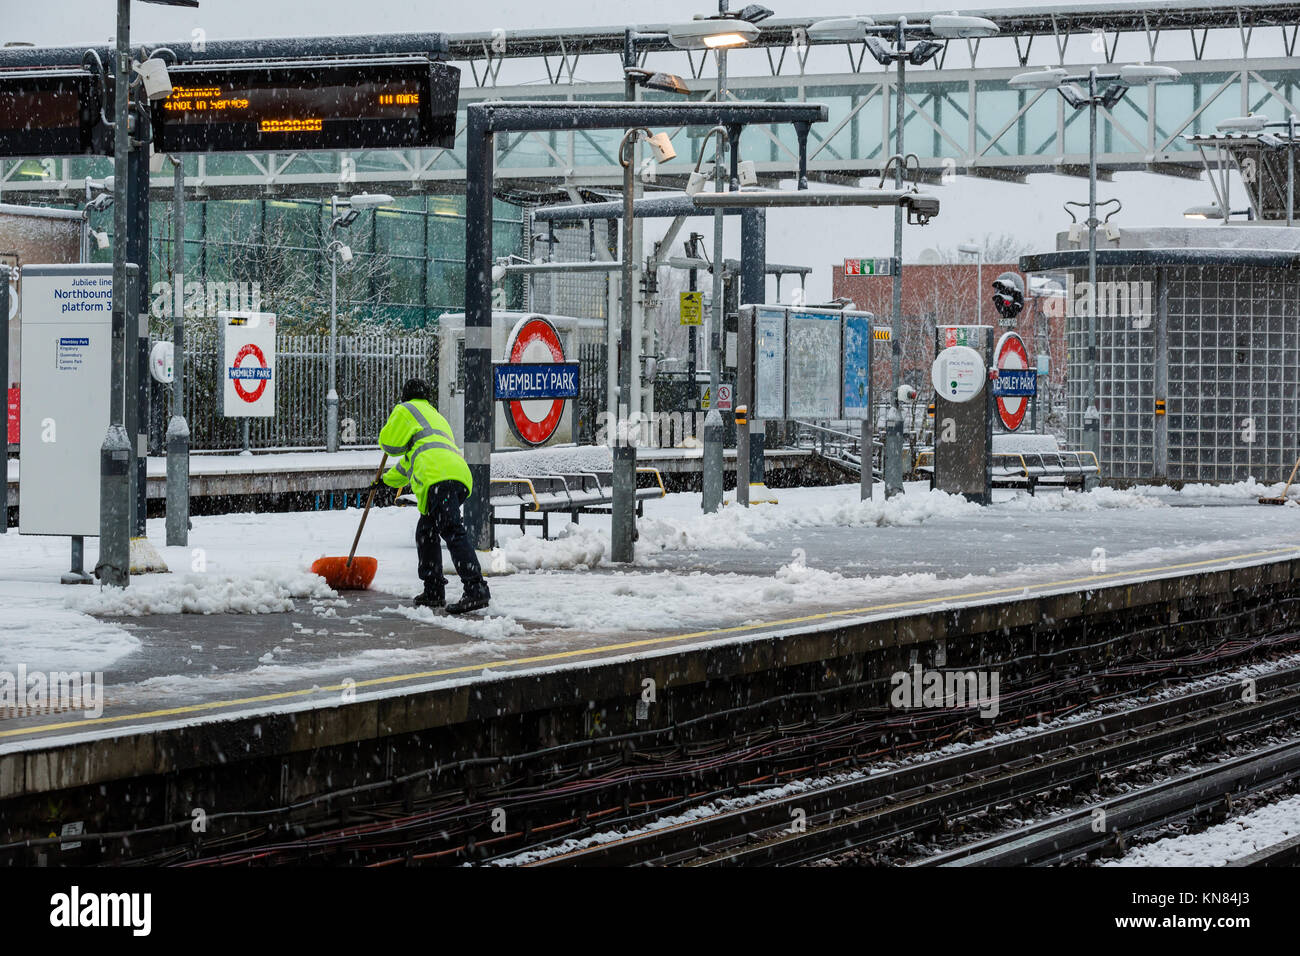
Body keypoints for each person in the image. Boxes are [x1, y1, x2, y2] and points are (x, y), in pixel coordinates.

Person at [374, 378, 490, 614]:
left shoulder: (405, 409)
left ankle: (476, 588)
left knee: (452, 531)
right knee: (426, 531)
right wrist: (383, 482)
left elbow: (388, 443)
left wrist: (393, 429)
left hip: (438, 478)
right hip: (454, 475)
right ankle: (433, 590)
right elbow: (407, 465)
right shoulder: (433, 416)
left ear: (405, 396)